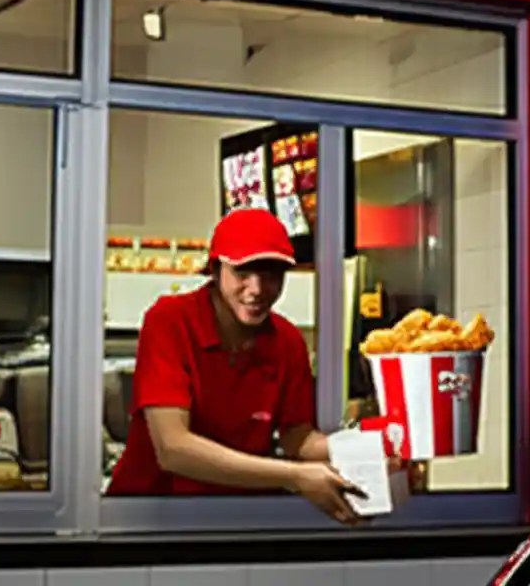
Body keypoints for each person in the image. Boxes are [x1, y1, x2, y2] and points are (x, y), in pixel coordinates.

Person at [106, 208, 370, 525]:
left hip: (235, 514)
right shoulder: (170, 321)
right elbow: (173, 448)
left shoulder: (286, 341)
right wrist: (295, 476)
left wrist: (370, 450)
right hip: (151, 517)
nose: (257, 289)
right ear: (216, 271)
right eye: (243, 272)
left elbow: (298, 439)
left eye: (271, 274)